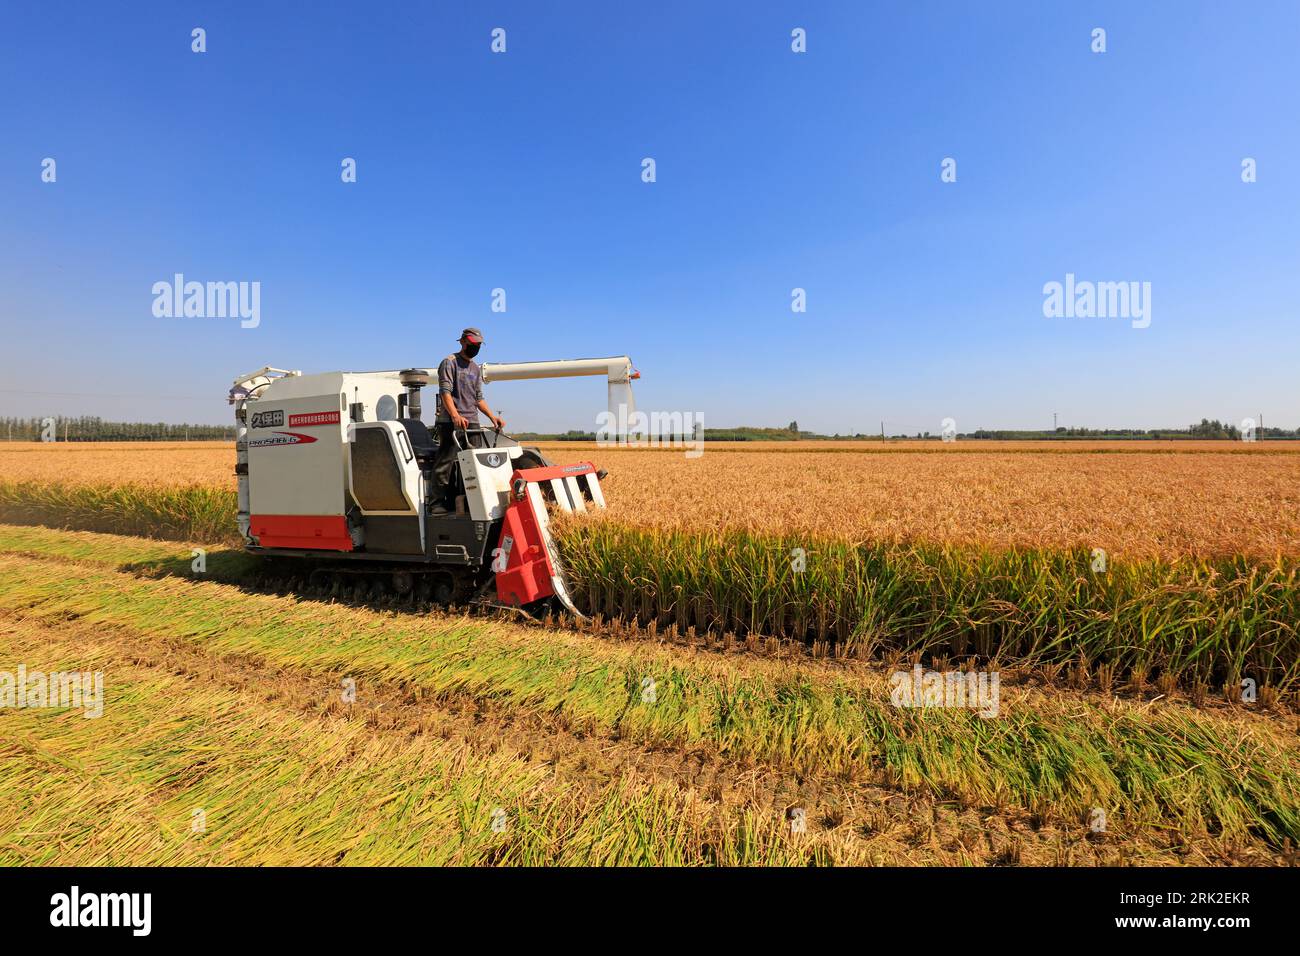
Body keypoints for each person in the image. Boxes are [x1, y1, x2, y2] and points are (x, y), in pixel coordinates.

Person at [431, 327, 506, 512]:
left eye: (479, 345)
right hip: (451, 421)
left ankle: (470, 503)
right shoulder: (450, 363)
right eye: (473, 344)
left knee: (473, 464)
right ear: (463, 342)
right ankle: (437, 503)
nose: (476, 347)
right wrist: (455, 415)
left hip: (471, 421)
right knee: (446, 462)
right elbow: (445, 392)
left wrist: (492, 417)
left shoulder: (475, 368)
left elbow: (478, 398)